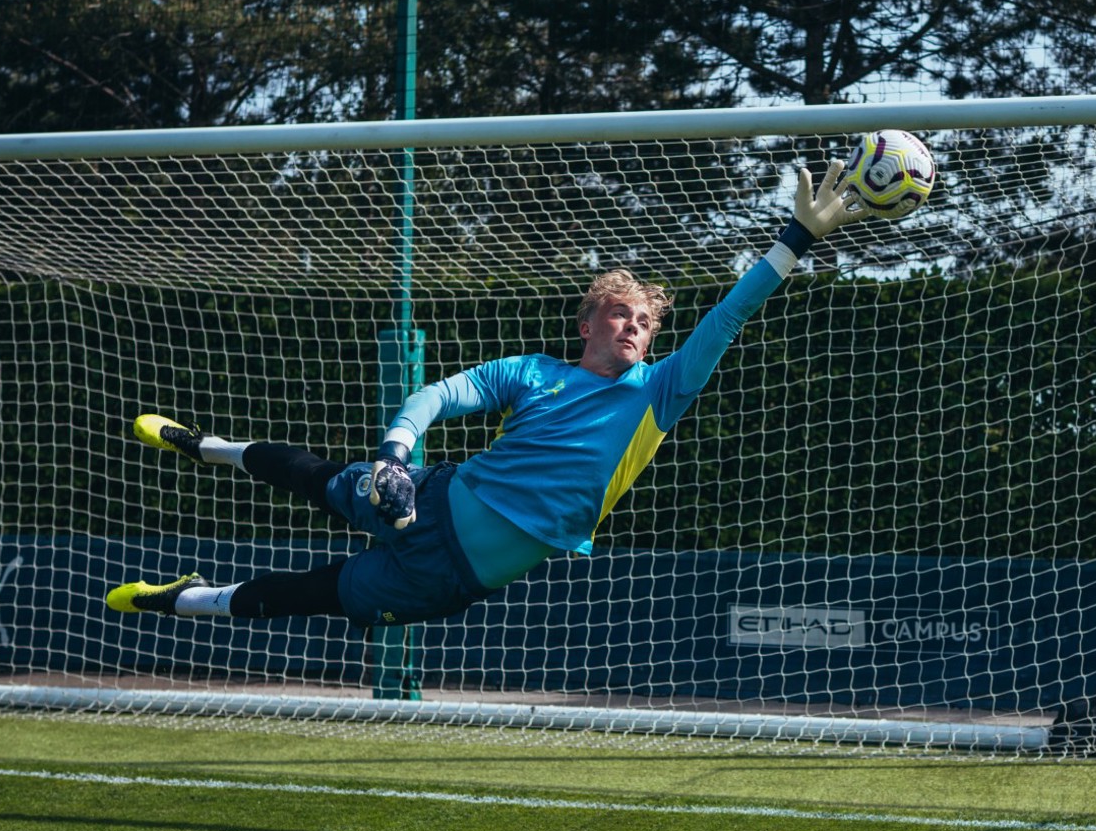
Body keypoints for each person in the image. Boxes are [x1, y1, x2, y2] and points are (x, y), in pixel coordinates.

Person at [106, 162, 872, 628]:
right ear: (587, 323)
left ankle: (179, 599)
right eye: (621, 313)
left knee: (312, 595)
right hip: (425, 494)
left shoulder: (660, 393)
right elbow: (434, 395)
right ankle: (204, 444)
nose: (636, 327)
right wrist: (395, 457)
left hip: (449, 577)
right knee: (313, 476)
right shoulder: (534, 373)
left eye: (645, 320)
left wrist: (794, 240)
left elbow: (728, 315)